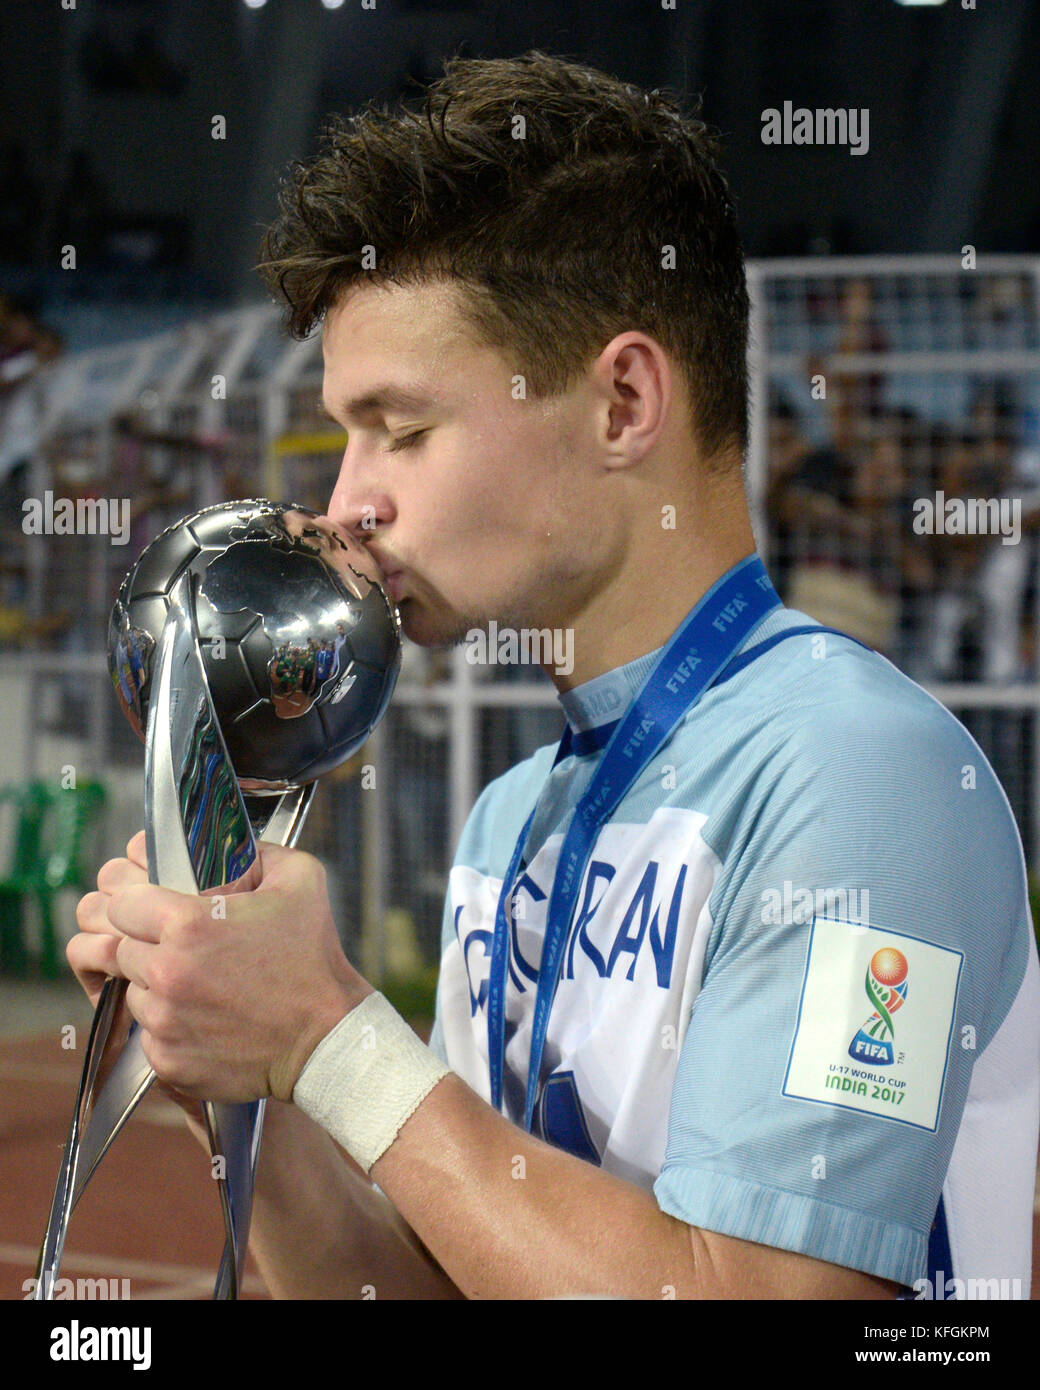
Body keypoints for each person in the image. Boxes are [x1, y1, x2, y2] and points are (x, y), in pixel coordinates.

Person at [68, 51, 1038, 1301]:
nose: (347, 502)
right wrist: (243, 1071)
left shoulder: (855, 774)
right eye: (346, 433)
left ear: (623, 400)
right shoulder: (510, 815)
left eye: (403, 429)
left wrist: (332, 1035)